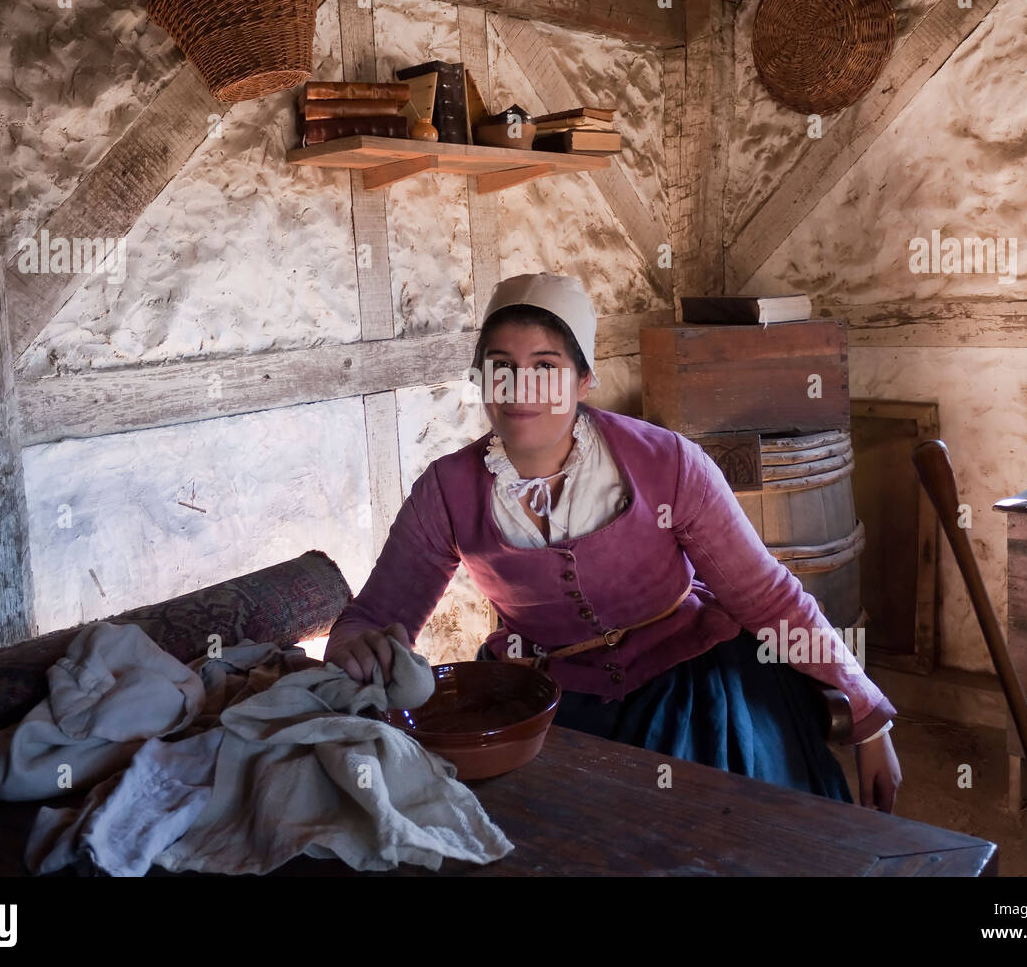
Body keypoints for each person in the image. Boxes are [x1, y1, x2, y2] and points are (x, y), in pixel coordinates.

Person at [325, 273, 901, 810]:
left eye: (546, 365)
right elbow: (375, 616)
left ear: (583, 379)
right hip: (548, 700)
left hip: (691, 688)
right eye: (501, 366)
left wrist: (869, 716)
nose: (521, 387)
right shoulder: (446, 492)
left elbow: (769, 599)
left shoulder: (669, 463)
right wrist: (357, 645)